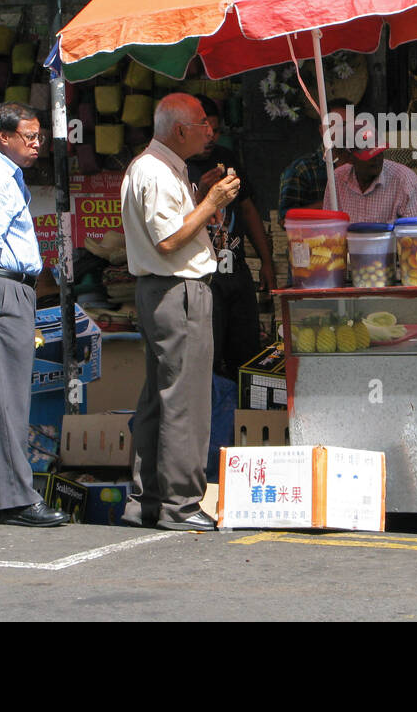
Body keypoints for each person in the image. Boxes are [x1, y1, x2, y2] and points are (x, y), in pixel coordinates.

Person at [120, 93, 241, 531]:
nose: (210, 130)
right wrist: (210, 203)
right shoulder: (153, 170)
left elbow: (172, 226)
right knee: (185, 401)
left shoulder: (165, 168)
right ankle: (181, 504)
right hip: (177, 291)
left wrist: (200, 194)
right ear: (180, 130)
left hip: (168, 291)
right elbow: (169, 240)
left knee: (160, 398)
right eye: (202, 122)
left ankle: (148, 501)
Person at [0, 102, 67, 527]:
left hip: (3, 290)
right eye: (29, 136)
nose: (37, 143)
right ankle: (19, 499)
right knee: (9, 399)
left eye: (39, 136)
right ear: (4, 137)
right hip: (3, 290)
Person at [186, 95, 277, 380]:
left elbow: (248, 209)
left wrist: (267, 261)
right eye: (205, 130)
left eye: (216, 130)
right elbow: (175, 230)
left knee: (246, 355)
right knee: (206, 359)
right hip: (202, 279)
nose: (211, 137)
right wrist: (200, 193)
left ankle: (242, 418)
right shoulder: (177, 167)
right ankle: (212, 420)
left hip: (235, 272)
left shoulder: (227, 159)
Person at [323, 144, 417, 224]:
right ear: (350, 158)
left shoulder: (404, 179)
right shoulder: (337, 179)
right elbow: (329, 229)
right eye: (369, 155)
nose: (377, 159)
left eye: (379, 152)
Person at [277, 101, 349, 217]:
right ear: (322, 131)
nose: (347, 131)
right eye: (340, 126)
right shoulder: (302, 169)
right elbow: (285, 218)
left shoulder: (364, 165)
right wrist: (329, 205)